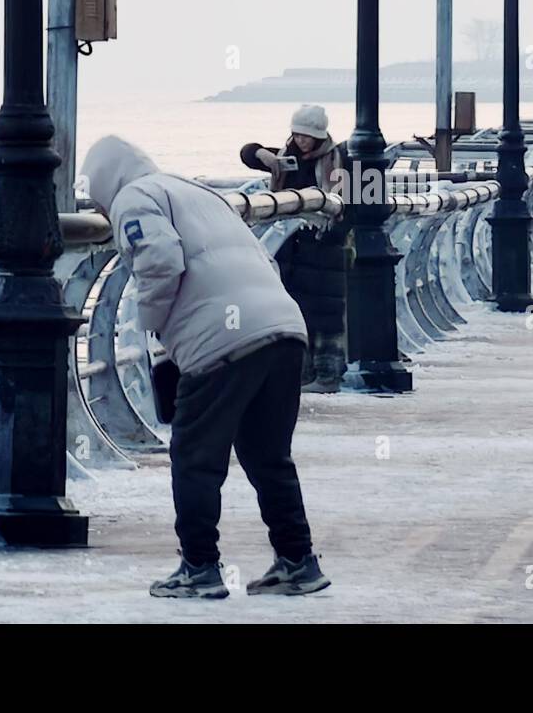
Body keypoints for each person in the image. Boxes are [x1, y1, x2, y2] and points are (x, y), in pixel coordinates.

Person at [80, 135, 331, 599]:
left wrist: (154, 329)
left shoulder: (134, 200)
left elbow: (159, 261)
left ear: (104, 182)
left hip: (222, 342)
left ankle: (200, 567)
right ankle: (298, 560)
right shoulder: (195, 192)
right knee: (268, 456)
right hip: (282, 328)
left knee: (195, 459)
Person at [240, 104, 348, 393]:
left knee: (324, 312)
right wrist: (261, 152)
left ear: (320, 135)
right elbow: (246, 153)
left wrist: (330, 232)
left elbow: (346, 204)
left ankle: (327, 375)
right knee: (293, 310)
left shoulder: (338, 160)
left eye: (307, 136)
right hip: (289, 249)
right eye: (297, 134)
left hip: (321, 247)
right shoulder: (284, 158)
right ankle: (301, 373)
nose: (301, 141)